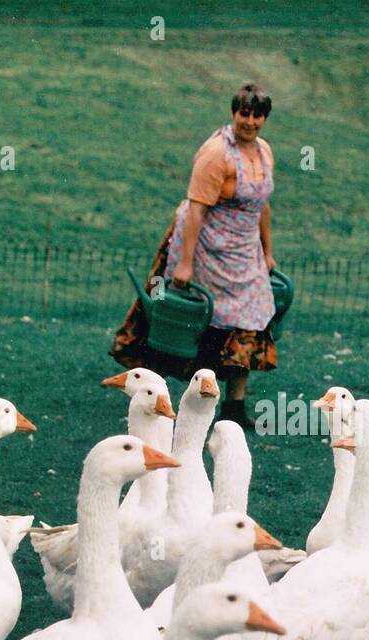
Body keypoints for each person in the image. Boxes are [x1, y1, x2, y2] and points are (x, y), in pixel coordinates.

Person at [111, 82, 278, 430]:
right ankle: (162, 399)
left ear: (264, 118)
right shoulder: (216, 153)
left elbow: (262, 206)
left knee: (249, 324)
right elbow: (196, 210)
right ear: (234, 113)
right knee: (193, 323)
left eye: (257, 115)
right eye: (243, 113)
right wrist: (185, 262)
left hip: (244, 251)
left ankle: (234, 406)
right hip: (206, 247)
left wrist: (267, 252)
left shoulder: (263, 152)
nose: (250, 121)